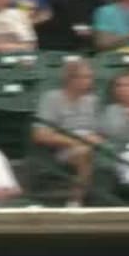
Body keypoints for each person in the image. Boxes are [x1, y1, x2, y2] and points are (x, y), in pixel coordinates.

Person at [33, 59, 103, 203]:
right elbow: (40, 134)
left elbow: (102, 131)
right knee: (85, 153)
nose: (89, 81)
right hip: (64, 148)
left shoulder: (94, 101)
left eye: (90, 77)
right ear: (70, 79)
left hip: (96, 146)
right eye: (84, 77)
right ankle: (76, 201)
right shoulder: (52, 98)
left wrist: (97, 138)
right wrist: (77, 141)